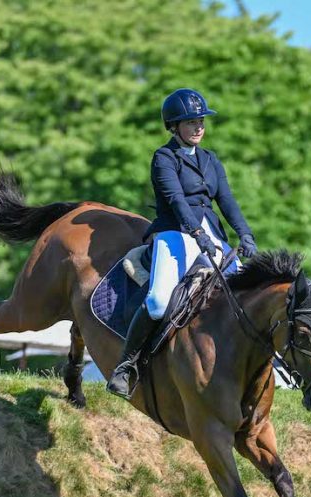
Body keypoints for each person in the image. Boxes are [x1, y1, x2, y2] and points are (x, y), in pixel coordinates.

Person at [107, 88, 260, 398]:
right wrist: (197, 234)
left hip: (211, 235)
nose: (199, 127)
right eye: (191, 123)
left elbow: (226, 200)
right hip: (175, 233)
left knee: (243, 298)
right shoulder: (163, 158)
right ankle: (126, 366)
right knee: (159, 301)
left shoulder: (210, 159)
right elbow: (176, 200)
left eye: (201, 121)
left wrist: (245, 233)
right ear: (174, 126)